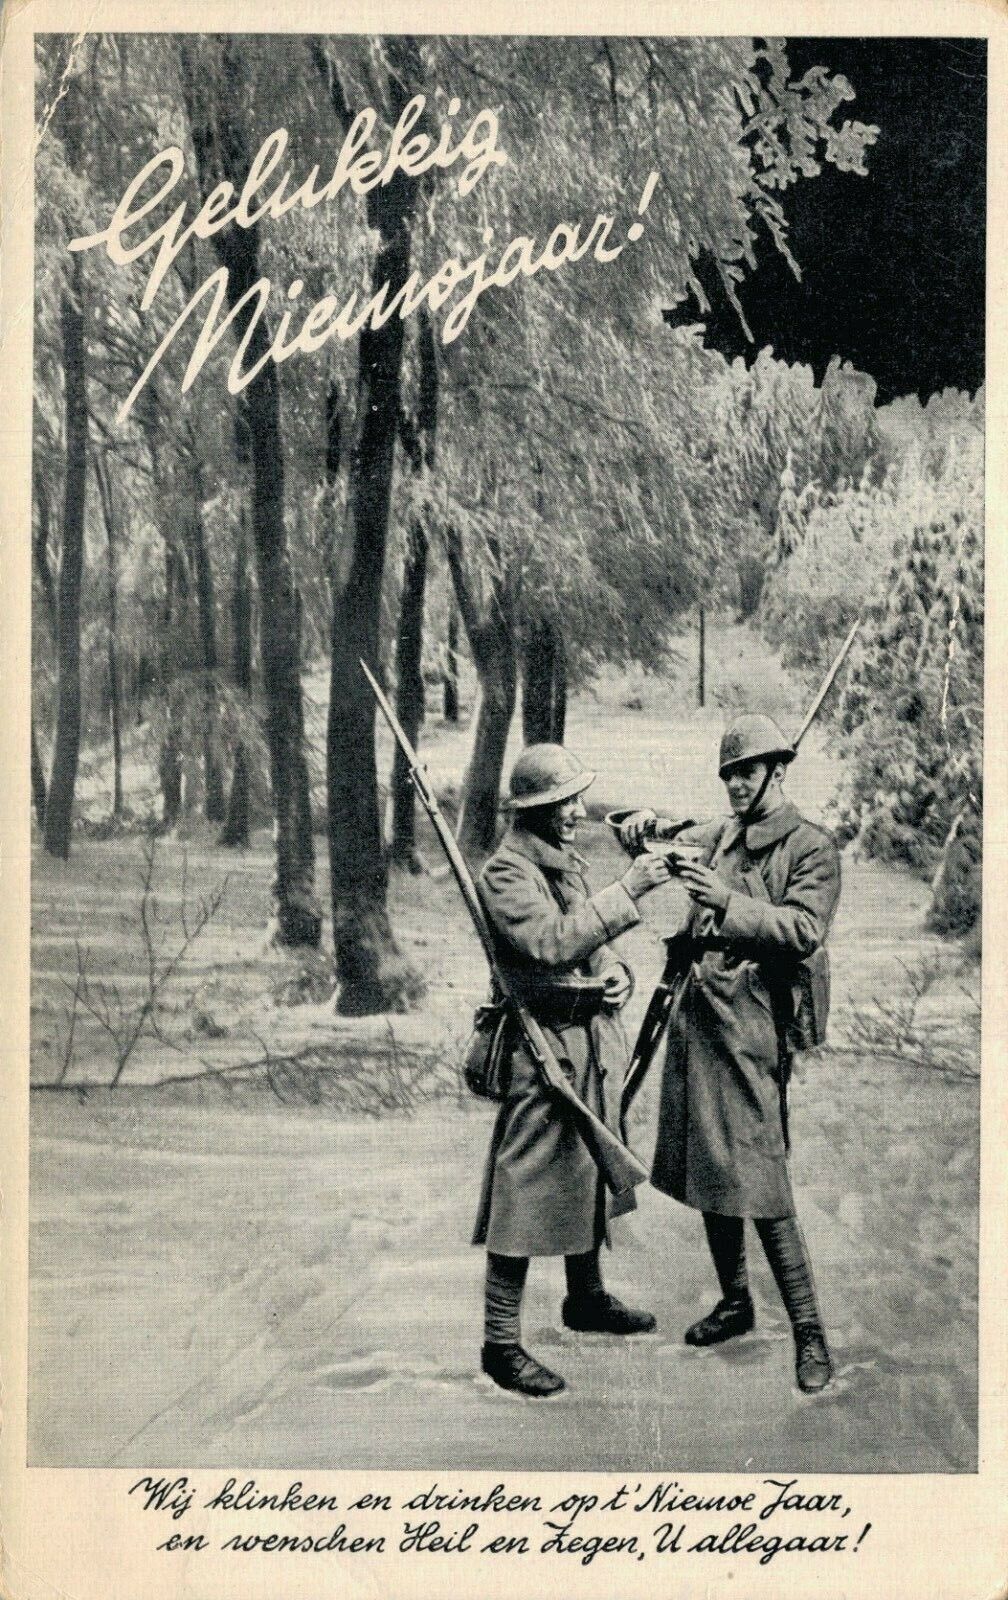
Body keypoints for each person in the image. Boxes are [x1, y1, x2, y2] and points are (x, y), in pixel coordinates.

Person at [619, 714, 841, 1394]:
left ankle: (808, 1332)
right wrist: (640, 824)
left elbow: (803, 929)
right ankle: (737, 1301)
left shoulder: (812, 847)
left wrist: (731, 901)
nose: (736, 784)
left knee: (762, 1177)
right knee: (711, 1165)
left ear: (777, 771)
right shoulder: (722, 833)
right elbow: (676, 838)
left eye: (747, 772)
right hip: (697, 1019)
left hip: (753, 1025)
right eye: (729, 774)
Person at [473, 743, 670, 1397]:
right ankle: (501, 1344)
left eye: (578, 800)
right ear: (533, 811)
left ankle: (585, 1300)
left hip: (586, 1041)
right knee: (523, 1193)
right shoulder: (507, 873)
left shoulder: (563, 863)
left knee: (588, 1170)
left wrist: (617, 974)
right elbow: (549, 944)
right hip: (541, 1047)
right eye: (566, 803)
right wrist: (629, 889)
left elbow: (594, 946)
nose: (578, 812)